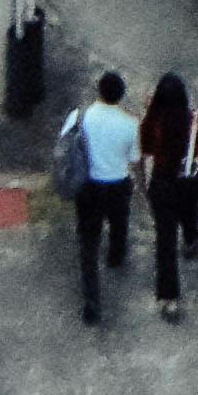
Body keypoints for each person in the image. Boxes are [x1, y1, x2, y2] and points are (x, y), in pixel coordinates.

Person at [140, 65, 198, 317]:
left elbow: (146, 148)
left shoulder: (152, 122)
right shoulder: (195, 121)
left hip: (162, 184)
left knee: (165, 240)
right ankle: (190, 239)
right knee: (190, 208)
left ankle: (169, 298)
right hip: (189, 182)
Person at [57, 70, 136, 323]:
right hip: (118, 185)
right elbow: (134, 158)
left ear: (98, 90)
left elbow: (63, 145)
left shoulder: (80, 117)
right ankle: (116, 255)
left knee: (88, 243)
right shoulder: (130, 124)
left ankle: (92, 302)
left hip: (89, 188)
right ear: (121, 95)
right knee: (119, 223)